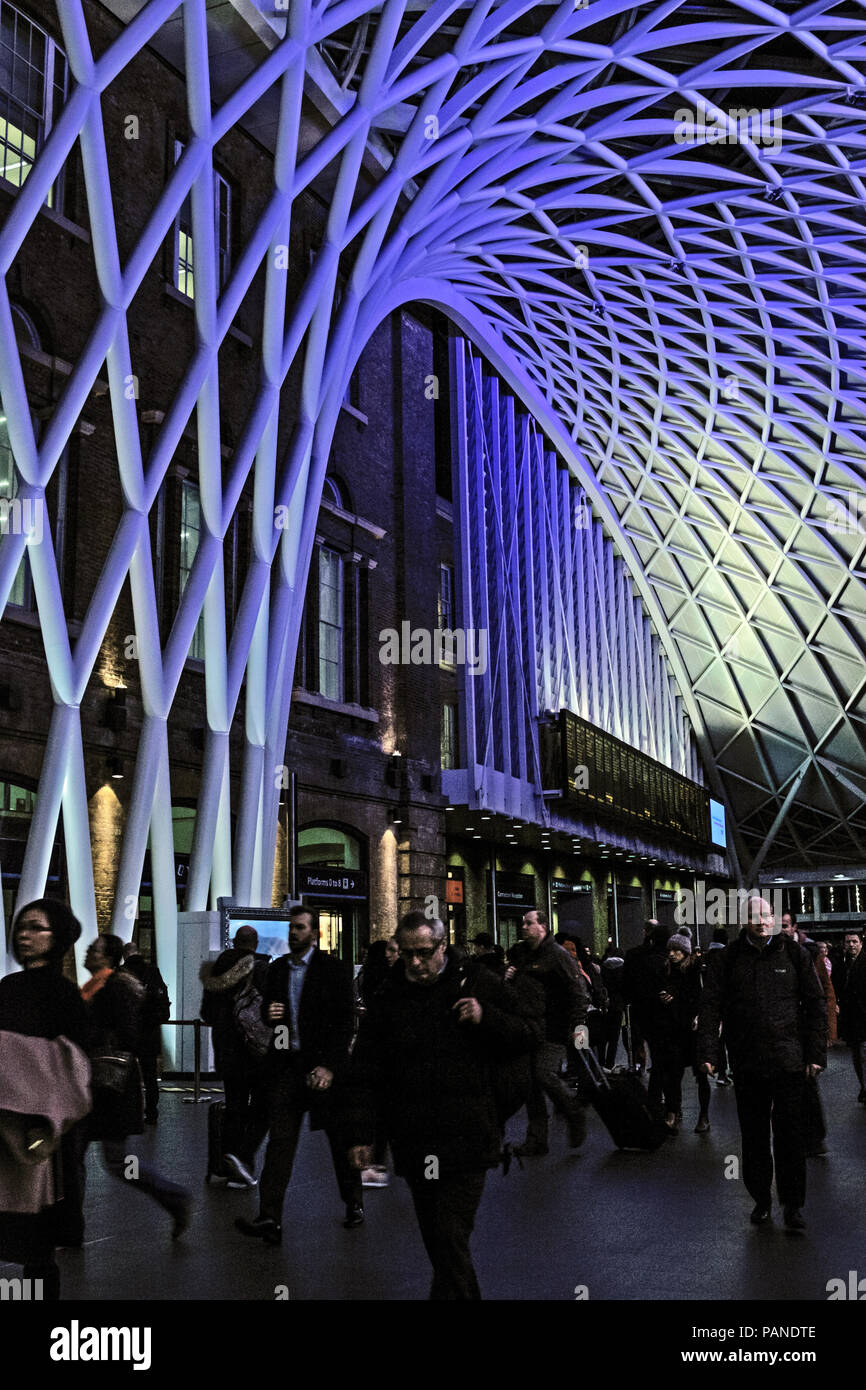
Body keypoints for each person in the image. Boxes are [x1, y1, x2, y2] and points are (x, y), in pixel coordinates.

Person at [344, 910, 540, 1299]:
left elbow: (529, 1033)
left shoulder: (478, 983)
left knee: (449, 1234)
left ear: (442, 946)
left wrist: (487, 1017)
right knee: (439, 1237)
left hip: (470, 1136)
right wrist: (361, 1135)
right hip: (417, 1140)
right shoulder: (389, 998)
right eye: (407, 954)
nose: (415, 963)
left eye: (423, 952)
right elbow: (365, 1072)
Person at [235, 906, 362, 1245]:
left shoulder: (333, 971)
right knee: (281, 1142)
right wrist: (269, 1011)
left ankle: (353, 1201)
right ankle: (269, 1217)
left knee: (338, 1139)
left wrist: (330, 1067)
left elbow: (345, 1023)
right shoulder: (276, 970)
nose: (294, 933)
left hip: (322, 1067)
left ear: (314, 934)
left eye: (301, 928)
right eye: (292, 928)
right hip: (288, 1067)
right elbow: (270, 1011)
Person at [697, 896, 826, 1231]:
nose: (760, 921)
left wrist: (815, 1055)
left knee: (790, 1138)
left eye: (765, 915)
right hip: (748, 1063)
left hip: (789, 1063)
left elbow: (815, 1005)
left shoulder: (796, 954)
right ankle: (761, 1200)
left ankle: (793, 1206)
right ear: (745, 920)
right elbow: (710, 1008)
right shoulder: (726, 959)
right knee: (754, 1137)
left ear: (772, 918)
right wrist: (709, 1053)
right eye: (753, 916)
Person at [0, 899, 92, 1300]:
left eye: (36, 928)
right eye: (21, 927)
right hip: (3, 1125)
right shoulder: (7, 988)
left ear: (56, 938)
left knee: (37, 1238)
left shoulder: (65, 996)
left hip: (40, 1133)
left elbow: (73, 1063)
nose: (24, 935)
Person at [80, 933, 192, 1236]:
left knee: (114, 1161)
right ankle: (68, 1225)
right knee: (95, 1157)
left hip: (108, 1087)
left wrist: (91, 1039)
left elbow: (126, 1034)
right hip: (97, 1085)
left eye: (94, 949)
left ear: (107, 957)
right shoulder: (95, 988)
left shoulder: (113, 989)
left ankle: (174, 1197)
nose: (87, 952)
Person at [505, 908, 588, 1156]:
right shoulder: (521, 953)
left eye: (529, 923)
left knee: (543, 1073)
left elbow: (578, 991)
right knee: (530, 1083)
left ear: (542, 926)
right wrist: (508, 976)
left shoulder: (557, 954)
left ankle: (573, 1111)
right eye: (523, 923)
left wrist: (577, 1025)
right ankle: (537, 1139)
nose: (524, 927)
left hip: (553, 1027)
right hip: (527, 1026)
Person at [200, 924, 271, 1187]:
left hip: (226, 1051)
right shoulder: (261, 968)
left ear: (234, 941)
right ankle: (243, 1158)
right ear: (255, 944)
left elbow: (206, 1013)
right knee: (264, 1105)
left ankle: (229, 1165)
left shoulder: (216, 971)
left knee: (235, 1106)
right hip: (255, 1051)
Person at [650, 934, 709, 1134]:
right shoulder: (666, 970)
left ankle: (703, 1116)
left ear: (686, 951)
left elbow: (698, 998)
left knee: (700, 1074)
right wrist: (663, 998)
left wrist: (675, 1000)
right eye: (670, 950)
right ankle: (672, 1112)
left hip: (693, 1029)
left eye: (677, 950)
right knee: (672, 1073)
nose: (672, 954)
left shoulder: (696, 970)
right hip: (674, 1029)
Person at [121, 941, 170, 1125]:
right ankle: (151, 1113)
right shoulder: (153, 971)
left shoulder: (122, 973)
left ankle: (128, 1112)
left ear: (125, 955)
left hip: (128, 1033)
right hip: (149, 1033)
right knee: (150, 1076)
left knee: (126, 1076)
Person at [622, 919, 668, 1082]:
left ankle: (638, 1063)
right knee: (659, 1048)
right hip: (660, 1007)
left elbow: (626, 981)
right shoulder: (666, 957)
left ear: (644, 932)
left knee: (637, 1037)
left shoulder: (634, 954)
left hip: (639, 1005)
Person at [837, 929, 866, 1102]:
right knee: (857, 1057)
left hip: (863, 1019)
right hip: (851, 1021)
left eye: (854, 941)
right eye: (848, 942)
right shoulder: (843, 963)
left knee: (863, 1057)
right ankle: (863, 1087)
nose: (851, 945)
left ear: (861, 943)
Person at [599, 945, 625, 1070]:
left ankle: (600, 1062)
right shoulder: (622, 969)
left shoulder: (603, 968)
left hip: (605, 1005)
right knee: (614, 1037)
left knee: (602, 1037)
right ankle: (610, 1063)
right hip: (618, 1005)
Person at [815, 942, 838, 1047]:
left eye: (824, 948)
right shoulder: (817, 961)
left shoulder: (829, 962)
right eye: (820, 948)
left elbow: (829, 986)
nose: (822, 950)